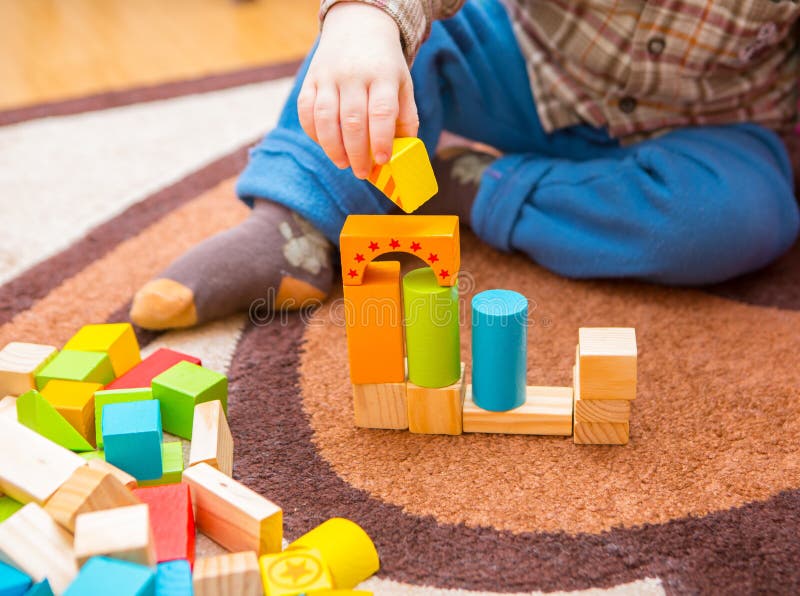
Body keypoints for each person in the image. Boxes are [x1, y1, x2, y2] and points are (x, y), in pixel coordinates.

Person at [130, 0, 800, 330]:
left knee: (743, 216)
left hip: (707, 127)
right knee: (388, 57)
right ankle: (295, 221)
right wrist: (367, 20)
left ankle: (475, 185)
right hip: (526, 69)